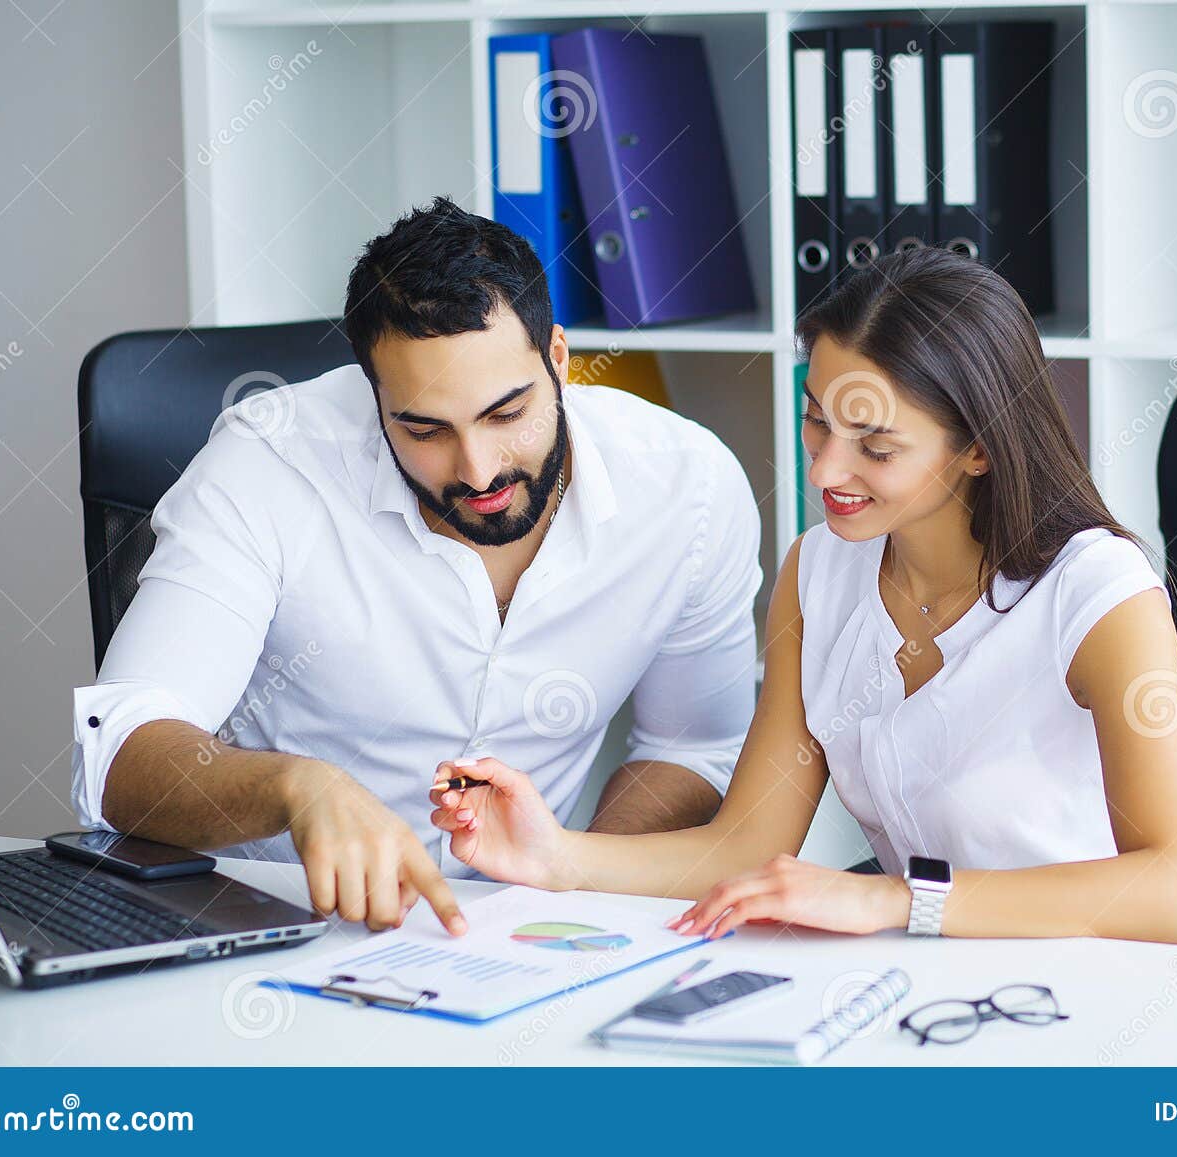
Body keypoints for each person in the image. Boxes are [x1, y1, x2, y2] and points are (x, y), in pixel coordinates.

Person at [429, 247, 1177, 946]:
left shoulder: (1099, 595)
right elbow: (742, 844)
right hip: (938, 986)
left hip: (1113, 990)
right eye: (817, 423)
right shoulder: (819, 574)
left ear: (980, 448)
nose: (824, 473)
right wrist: (553, 855)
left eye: (875, 447)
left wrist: (890, 900)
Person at [69, 196, 763, 935]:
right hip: (279, 923)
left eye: (506, 414)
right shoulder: (266, 464)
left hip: (535, 935)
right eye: (426, 428)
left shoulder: (687, 487)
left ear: (558, 359)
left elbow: (691, 746)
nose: (479, 468)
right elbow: (119, 751)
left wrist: (569, 883)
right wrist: (296, 789)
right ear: (374, 397)